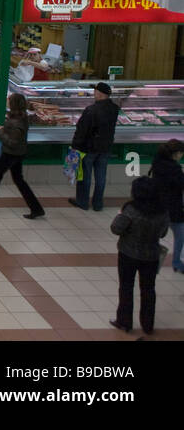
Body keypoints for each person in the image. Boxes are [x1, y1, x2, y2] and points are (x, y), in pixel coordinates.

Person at [109, 177, 169, 335]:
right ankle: (148, 324)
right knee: (149, 289)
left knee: (126, 287)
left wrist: (119, 214)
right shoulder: (162, 211)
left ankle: (124, 321)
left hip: (128, 254)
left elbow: (116, 228)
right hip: (151, 255)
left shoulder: (130, 209)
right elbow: (163, 233)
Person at [0, 92, 44, 219]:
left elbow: (12, 142)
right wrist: (4, 130)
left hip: (10, 154)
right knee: (19, 180)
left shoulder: (17, 122)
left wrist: (0, 132)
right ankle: (36, 208)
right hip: (18, 153)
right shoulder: (22, 118)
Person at [70, 82, 119, 211]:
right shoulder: (114, 108)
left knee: (85, 176)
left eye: (95, 91)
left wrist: (75, 145)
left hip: (89, 147)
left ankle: (83, 202)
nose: (94, 93)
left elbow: (82, 130)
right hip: (106, 147)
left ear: (100, 93)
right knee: (101, 177)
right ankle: (98, 204)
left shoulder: (91, 110)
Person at [149, 139, 184, 272]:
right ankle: (177, 262)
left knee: (154, 235)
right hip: (174, 207)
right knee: (180, 236)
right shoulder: (174, 168)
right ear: (176, 153)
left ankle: (151, 261)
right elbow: (180, 183)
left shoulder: (157, 163)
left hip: (158, 204)